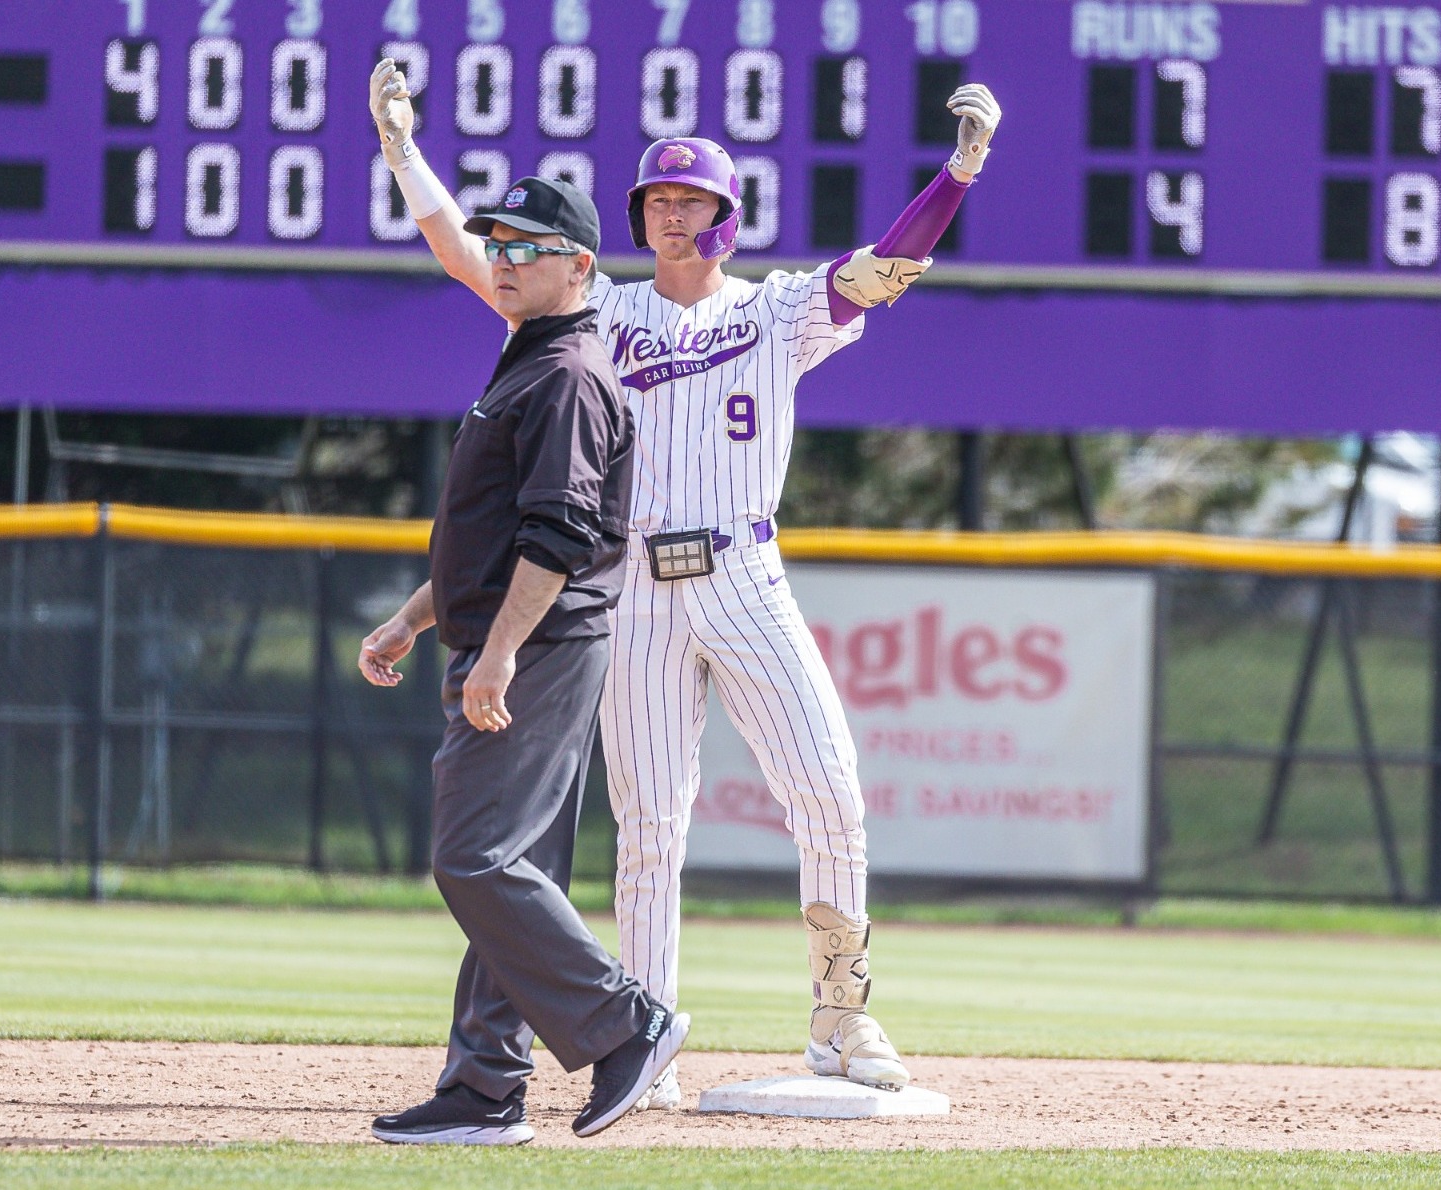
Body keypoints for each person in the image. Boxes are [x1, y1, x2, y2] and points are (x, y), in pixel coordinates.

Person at [370, 58, 1001, 1106]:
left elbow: (886, 266)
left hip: (746, 571)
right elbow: (463, 254)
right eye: (657, 199)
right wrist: (401, 151)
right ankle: (644, 1039)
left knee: (830, 792)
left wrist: (960, 175)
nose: (671, 214)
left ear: (725, 215)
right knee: (650, 821)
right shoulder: (598, 313)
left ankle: (842, 1018)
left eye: (690, 198)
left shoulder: (780, 312)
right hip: (635, 588)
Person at [356, 170, 687, 1145]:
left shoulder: (568, 376)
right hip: (513, 636)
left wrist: (495, 654)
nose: (500, 259)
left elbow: (555, 535)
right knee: (516, 868)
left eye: (523, 247)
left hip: (537, 646)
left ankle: (626, 1024)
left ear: (579, 265)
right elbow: (496, 535)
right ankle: (485, 1086)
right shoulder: (529, 361)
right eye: (493, 243)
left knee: (473, 859)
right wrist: (417, 619)